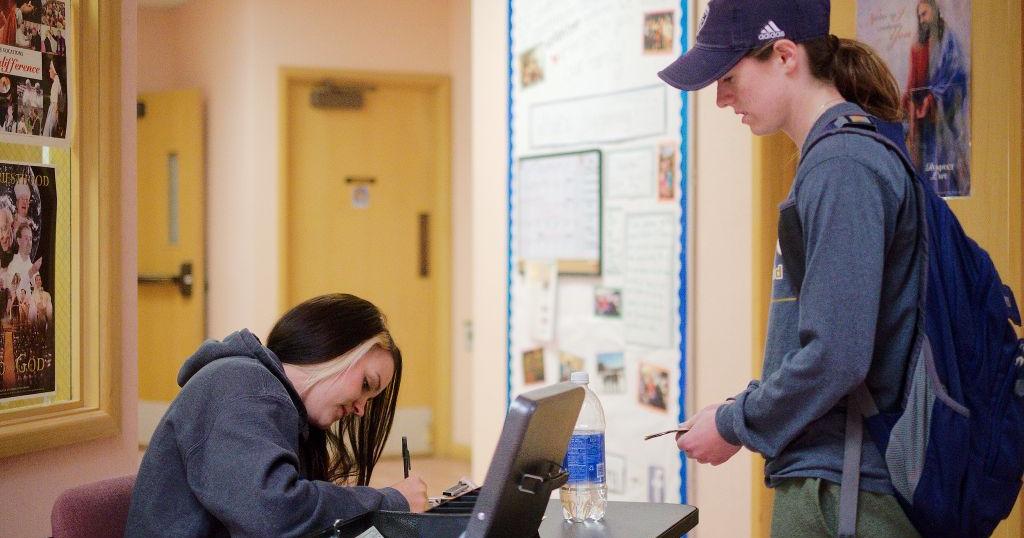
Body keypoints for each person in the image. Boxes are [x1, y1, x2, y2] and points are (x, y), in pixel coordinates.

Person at [658, 0, 922, 536]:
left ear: (784, 55)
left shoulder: (842, 165)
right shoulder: (840, 157)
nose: (721, 99)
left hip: (845, 491)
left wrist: (734, 424)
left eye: (730, 77)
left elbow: (838, 354)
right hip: (840, 480)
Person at [126, 293, 428, 537]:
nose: (361, 409)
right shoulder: (242, 386)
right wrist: (391, 501)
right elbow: (274, 515)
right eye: (365, 385)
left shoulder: (270, 398)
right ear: (335, 350)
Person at [901, 0, 969, 196]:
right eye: (919, 16)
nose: (922, 20)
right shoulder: (918, 46)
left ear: (935, 13)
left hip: (942, 118)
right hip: (922, 121)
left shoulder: (949, 41)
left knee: (944, 162)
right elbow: (913, 81)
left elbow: (956, 75)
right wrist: (907, 101)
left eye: (925, 14)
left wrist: (932, 98)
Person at [41, 56, 62, 137]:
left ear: (54, 70)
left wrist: (56, 120)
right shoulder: (56, 81)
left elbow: (57, 103)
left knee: (50, 131)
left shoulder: (57, 81)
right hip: (52, 109)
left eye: (50, 68)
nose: (49, 70)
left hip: (53, 111)